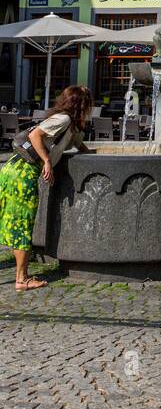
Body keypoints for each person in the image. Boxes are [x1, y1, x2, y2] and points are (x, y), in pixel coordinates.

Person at [0, 85, 93, 290]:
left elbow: (81, 147)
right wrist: (47, 161)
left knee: (12, 219)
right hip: (22, 172)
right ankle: (22, 279)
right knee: (21, 222)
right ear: (82, 105)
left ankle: (21, 276)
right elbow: (36, 136)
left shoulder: (73, 126)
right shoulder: (64, 119)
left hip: (16, 169)